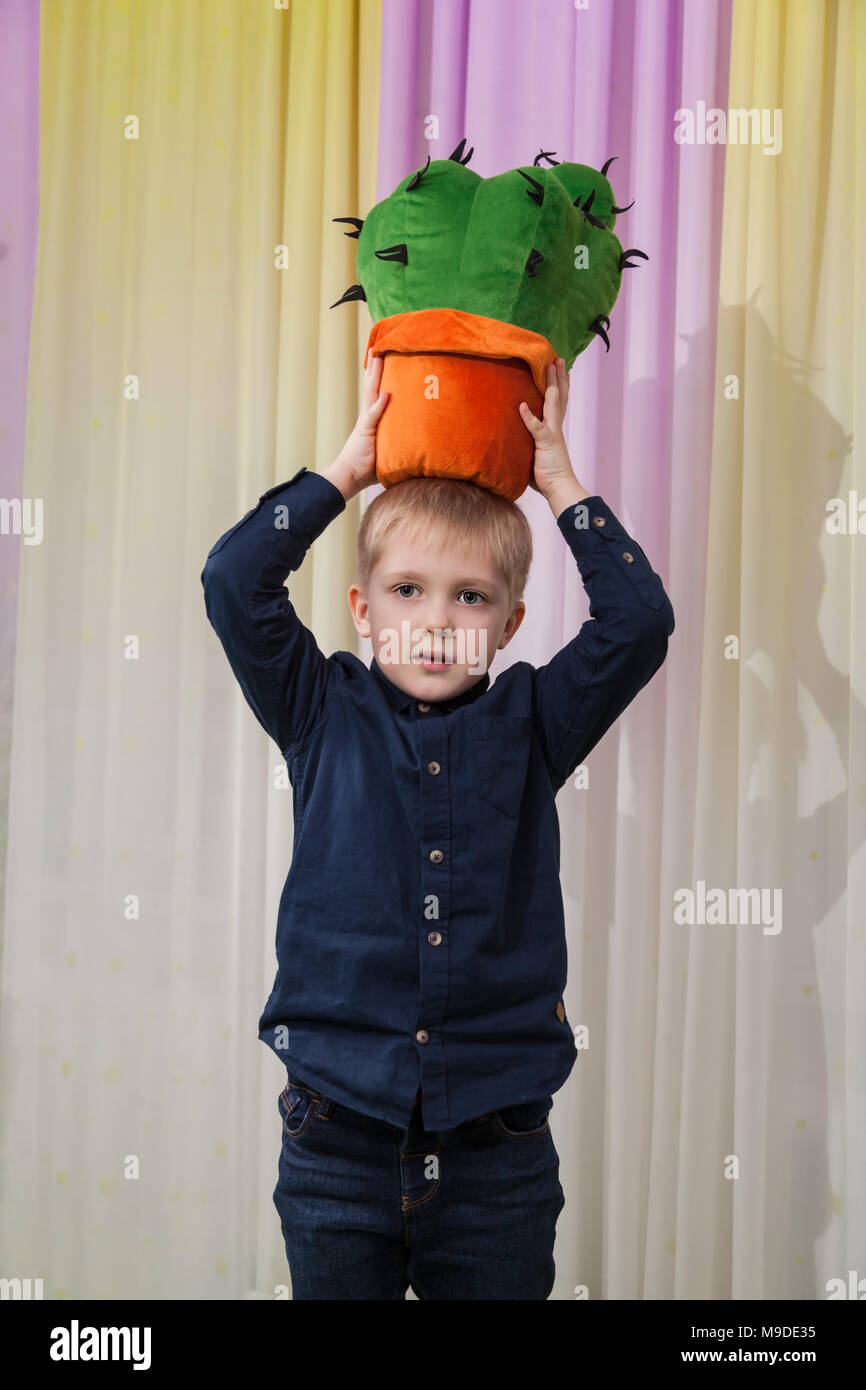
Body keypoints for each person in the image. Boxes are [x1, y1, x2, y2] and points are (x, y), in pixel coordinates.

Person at [201, 353, 675, 1299]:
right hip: (337, 1144)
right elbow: (233, 579)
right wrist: (346, 474)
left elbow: (639, 623)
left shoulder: (536, 722)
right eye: (408, 591)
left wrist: (560, 484)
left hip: (496, 1160)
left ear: (509, 624)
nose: (436, 622)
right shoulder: (317, 707)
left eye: (471, 597)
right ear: (362, 612)